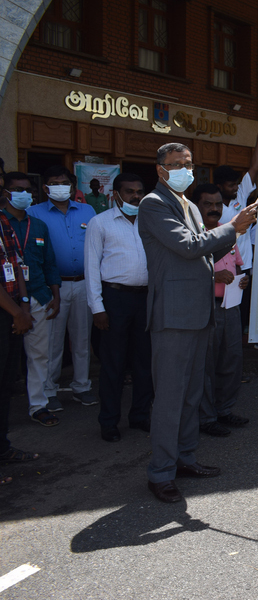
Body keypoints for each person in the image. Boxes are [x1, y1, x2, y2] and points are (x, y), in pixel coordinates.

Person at [138, 143, 257, 503]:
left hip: (198, 313)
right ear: (160, 170)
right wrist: (232, 228)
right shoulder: (153, 204)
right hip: (173, 317)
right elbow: (189, 246)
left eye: (188, 164)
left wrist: (237, 232)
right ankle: (160, 473)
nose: (183, 170)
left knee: (191, 396)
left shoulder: (189, 205)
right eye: (175, 165)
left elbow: (205, 252)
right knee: (171, 399)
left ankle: (185, 459)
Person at [84, 173, 152, 442]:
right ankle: (109, 421)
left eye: (139, 191)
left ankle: (139, 416)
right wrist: (97, 308)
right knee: (113, 364)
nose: (136, 196)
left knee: (144, 363)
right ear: (116, 195)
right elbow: (90, 267)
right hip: (114, 300)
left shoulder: (149, 223)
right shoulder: (100, 223)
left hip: (145, 299)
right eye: (129, 192)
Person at [27, 165, 98, 407]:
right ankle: (49, 391)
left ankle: (82, 386)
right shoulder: (33, 213)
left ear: (72, 186)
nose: (60, 187)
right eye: (54, 183)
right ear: (45, 188)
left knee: (82, 340)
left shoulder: (87, 211)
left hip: (84, 284)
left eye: (64, 183)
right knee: (52, 343)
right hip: (52, 288)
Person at [3, 173, 62, 426]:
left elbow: (49, 263)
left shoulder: (37, 226)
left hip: (38, 295)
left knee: (39, 355)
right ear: (6, 193)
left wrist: (56, 294)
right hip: (6, 300)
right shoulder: (2, 224)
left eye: (27, 190)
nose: (23, 194)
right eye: (17, 189)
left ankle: (38, 405)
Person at [193, 184, 250, 437]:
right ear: (196, 207)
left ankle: (224, 410)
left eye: (218, 204)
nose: (214, 209)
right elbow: (187, 275)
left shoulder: (227, 234)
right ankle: (206, 418)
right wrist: (215, 276)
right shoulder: (193, 238)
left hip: (231, 307)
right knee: (206, 365)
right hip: (205, 309)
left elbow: (237, 266)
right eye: (208, 204)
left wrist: (241, 279)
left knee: (232, 361)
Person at [0, 173, 37, 484]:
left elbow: (16, 264)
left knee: (5, 385)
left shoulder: (4, 223)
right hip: (7, 312)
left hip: (13, 313)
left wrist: (23, 306)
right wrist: (16, 311)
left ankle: (3, 448)